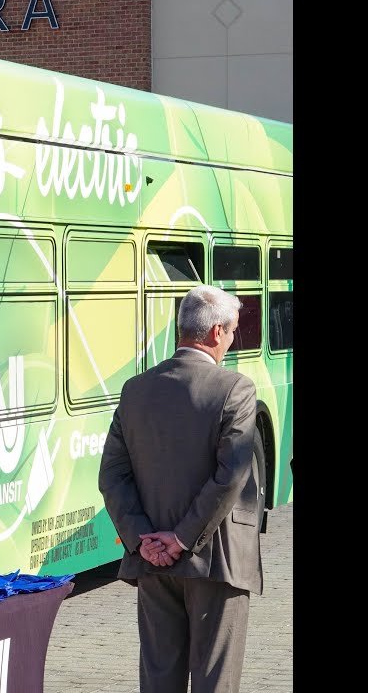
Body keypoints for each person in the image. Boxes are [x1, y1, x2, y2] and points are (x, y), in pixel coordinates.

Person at [98, 284, 262, 693]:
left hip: (152, 561)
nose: (231, 340)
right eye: (233, 331)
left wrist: (144, 540)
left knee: (159, 680)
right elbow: (231, 475)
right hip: (217, 562)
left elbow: (112, 476)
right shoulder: (235, 389)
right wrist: (182, 538)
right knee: (214, 681)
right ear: (216, 332)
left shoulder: (135, 389)